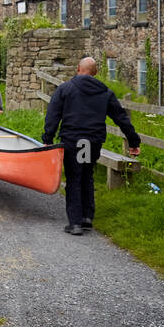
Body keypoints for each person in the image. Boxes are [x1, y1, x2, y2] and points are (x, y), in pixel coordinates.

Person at [42, 57, 142, 236]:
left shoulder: (65, 89)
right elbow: (121, 118)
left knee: (74, 178)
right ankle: (87, 217)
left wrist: (47, 139)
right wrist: (133, 142)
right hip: (93, 141)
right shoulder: (105, 92)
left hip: (73, 140)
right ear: (95, 72)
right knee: (87, 175)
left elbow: (53, 115)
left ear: (78, 68)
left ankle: (75, 223)